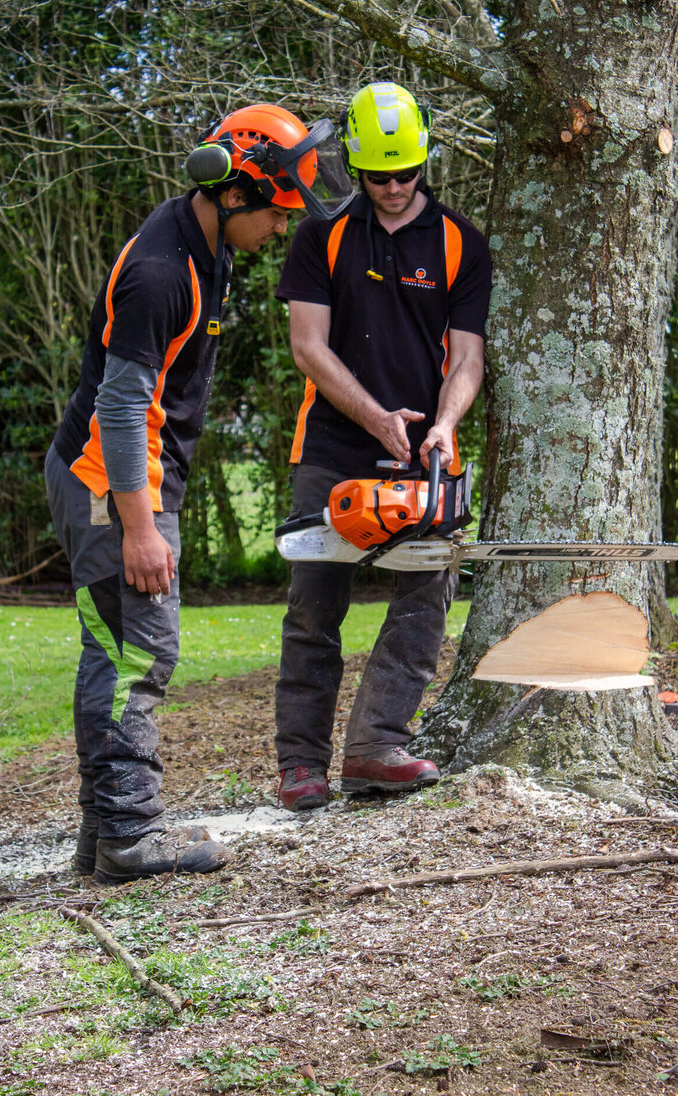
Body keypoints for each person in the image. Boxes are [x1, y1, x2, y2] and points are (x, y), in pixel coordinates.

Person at [45, 105, 353, 881]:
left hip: (129, 478)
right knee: (137, 651)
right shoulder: (160, 271)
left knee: (124, 645)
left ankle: (105, 832)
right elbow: (121, 406)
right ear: (237, 190)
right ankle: (129, 833)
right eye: (280, 211)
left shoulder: (200, 242)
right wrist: (140, 527)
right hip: (108, 483)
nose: (283, 228)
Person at [274, 81, 492, 811]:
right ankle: (301, 764)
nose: (394, 188)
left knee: (424, 602)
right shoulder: (322, 236)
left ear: (424, 161)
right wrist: (372, 417)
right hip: (334, 445)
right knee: (313, 607)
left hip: (426, 453)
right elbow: (309, 347)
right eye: (378, 175)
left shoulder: (461, 241)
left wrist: (445, 423)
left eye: (406, 173)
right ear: (357, 168)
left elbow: (467, 359)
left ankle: (376, 746)